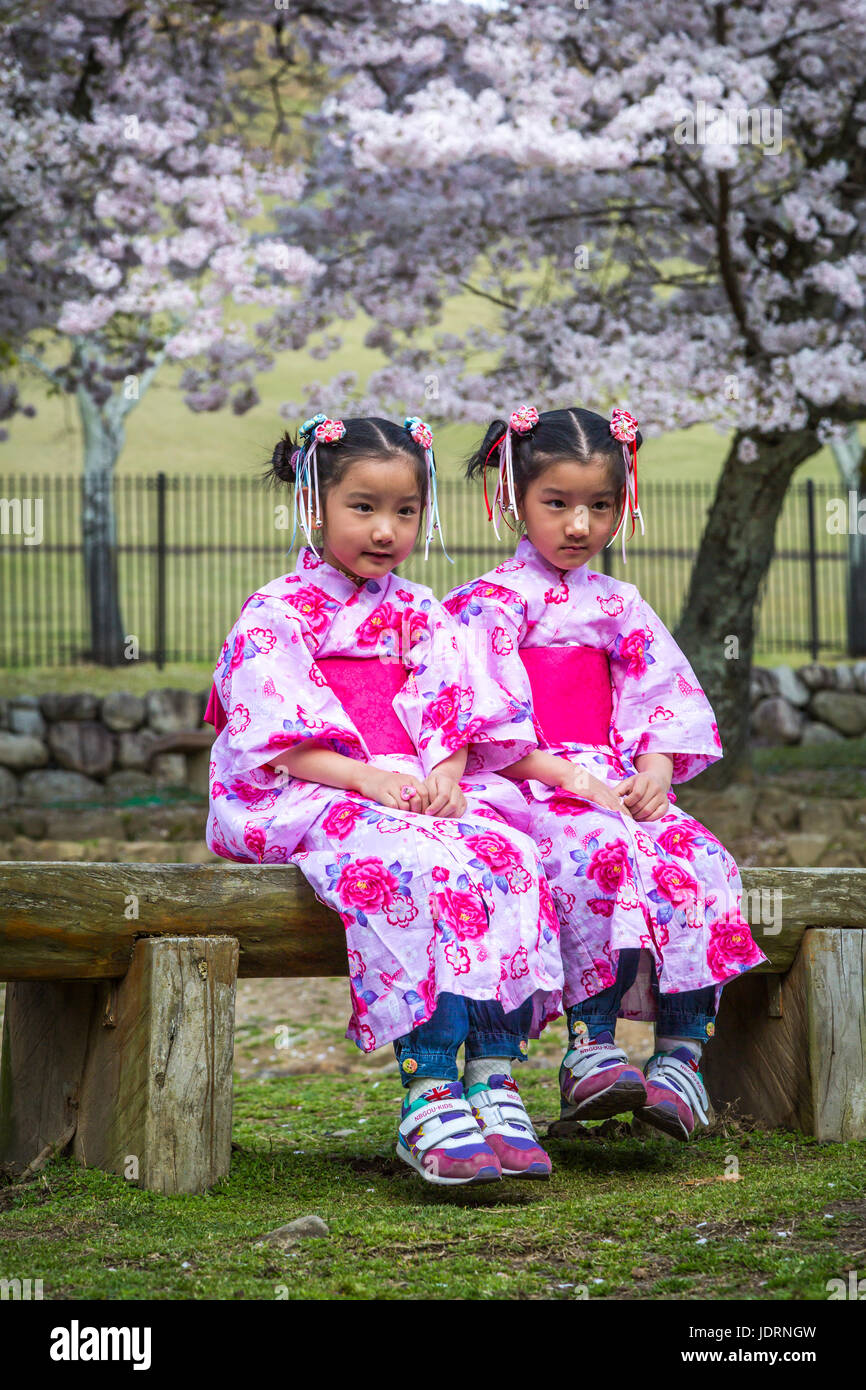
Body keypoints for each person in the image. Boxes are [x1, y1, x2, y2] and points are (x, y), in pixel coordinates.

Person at [204, 413, 563, 1185]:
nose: (385, 530)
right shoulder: (278, 613)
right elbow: (273, 735)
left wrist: (447, 770)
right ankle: (429, 1087)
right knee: (410, 865)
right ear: (314, 506)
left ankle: (494, 1076)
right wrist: (370, 779)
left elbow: (456, 704)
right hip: (316, 786)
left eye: (405, 511)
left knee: (510, 853)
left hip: (415, 784)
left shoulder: (421, 610)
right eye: (362, 507)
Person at [443, 404, 768, 1141]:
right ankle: (591, 1044)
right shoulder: (488, 604)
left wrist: (654, 766)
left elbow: (662, 700)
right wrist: (568, 778)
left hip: (614, 779)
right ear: (515, 499)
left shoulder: (621, 604)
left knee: (699, 860)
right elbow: (476, 724)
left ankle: (683, 1055)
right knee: (597, 854)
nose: (579, 525)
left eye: (600, 505)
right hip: (526, 780)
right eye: (556, 504)